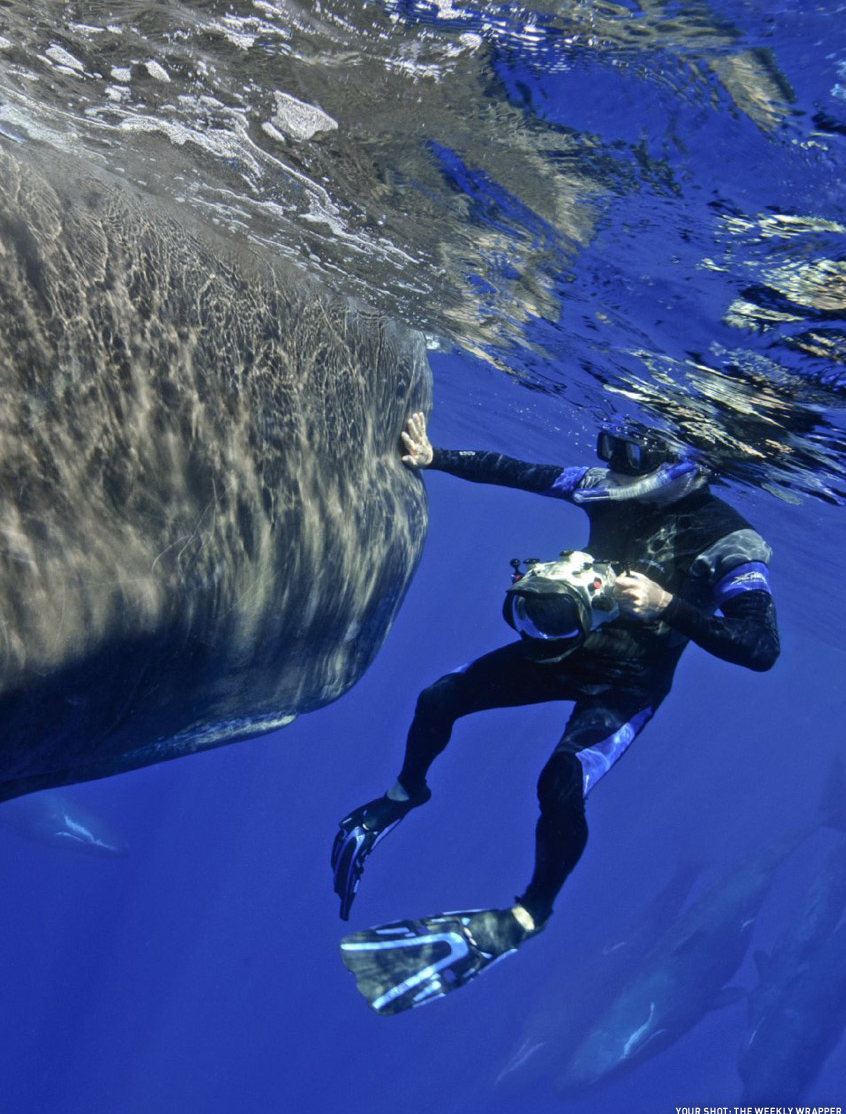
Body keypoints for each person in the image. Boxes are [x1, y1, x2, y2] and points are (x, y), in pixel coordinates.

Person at [333, 412, 780, 1014]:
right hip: (565, 645)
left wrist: (668, 604)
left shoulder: (730, 539)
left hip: (627, 684)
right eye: (614, 450)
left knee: (561, 783)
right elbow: (517, 471)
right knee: (439, 696)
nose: (618, 466)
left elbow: (760, 648)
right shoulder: (608, 484)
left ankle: (531, 911)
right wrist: (436, 458)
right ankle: (404, 792)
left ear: (688, 463)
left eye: (635, 456)